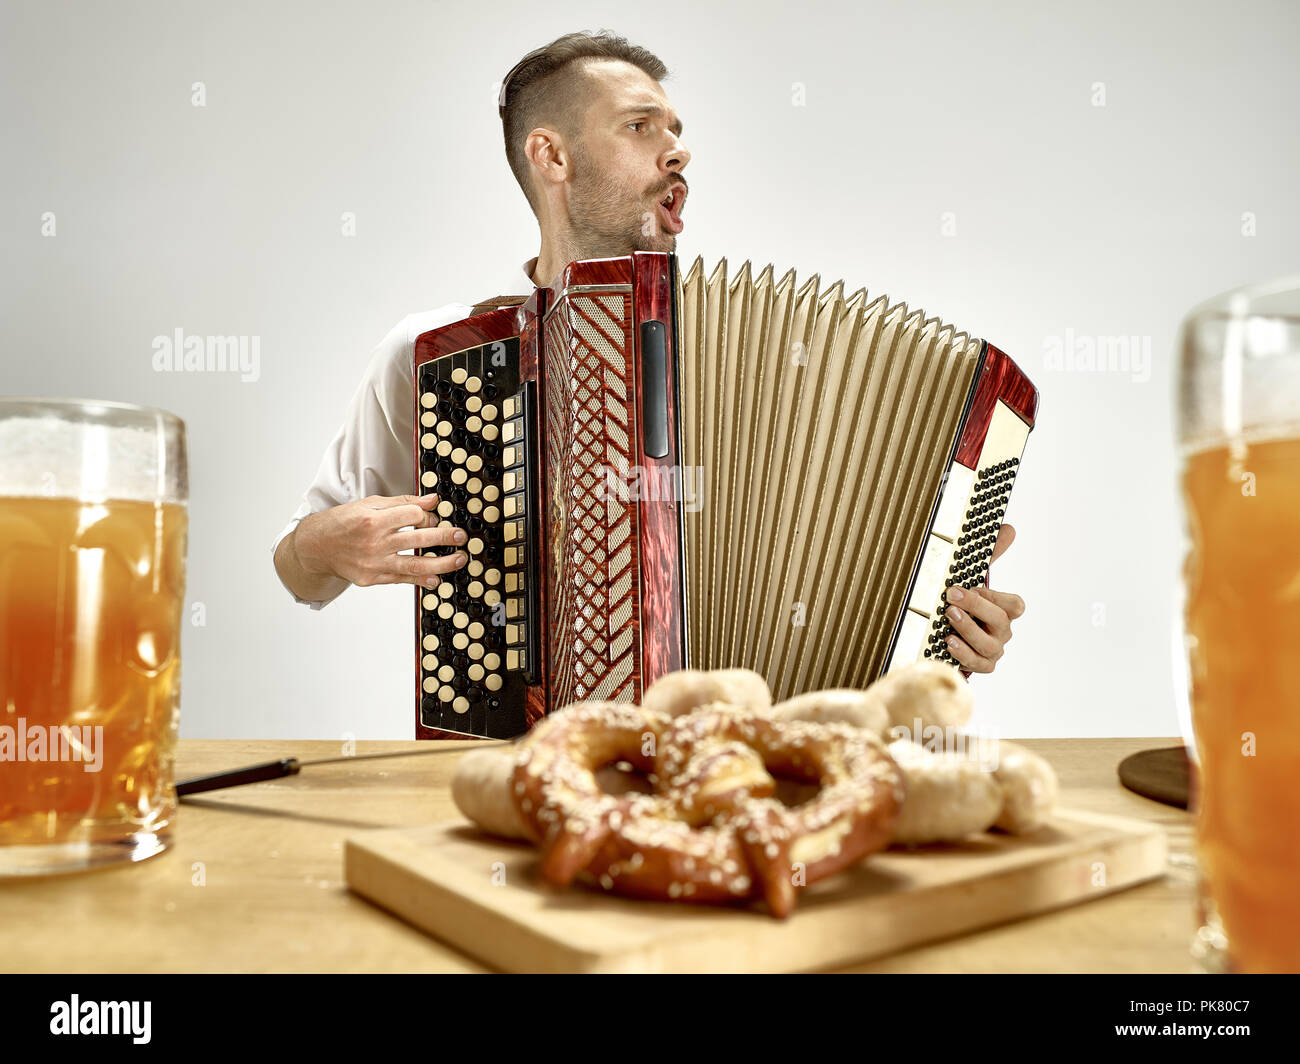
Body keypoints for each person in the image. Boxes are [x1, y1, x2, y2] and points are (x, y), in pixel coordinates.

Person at [272, 29, 1024, 674]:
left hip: (769, 780)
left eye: (676, 128)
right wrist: (329, 543)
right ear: (552, 156)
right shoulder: (444, 357)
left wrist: (949, 625)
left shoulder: (777, 361)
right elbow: (299, 570)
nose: (679, 150)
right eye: (642, 127)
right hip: (538, 777)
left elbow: (852, 569)